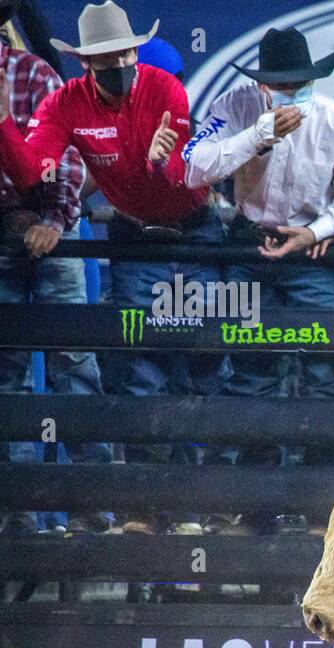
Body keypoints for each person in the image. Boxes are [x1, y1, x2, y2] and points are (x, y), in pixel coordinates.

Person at [0, 1, 222, 535]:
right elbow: (32, 172)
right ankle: (134, 511)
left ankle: (199, 508)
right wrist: (4, 123)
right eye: (106, 57)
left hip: (195, 231)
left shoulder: (163, 89)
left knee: (202, 365)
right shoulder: (65, 103)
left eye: (125, 52)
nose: (119, 62)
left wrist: (159, 160)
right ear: (86, 63)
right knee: (139, 374)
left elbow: (182, 174)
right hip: (133, 237)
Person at [183, 27, 334, 529]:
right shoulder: (235, 105)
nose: (291, 92)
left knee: (328, 373)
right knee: (251, 376)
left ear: (313, 80)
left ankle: (322, 508)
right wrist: (259, 134)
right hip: (249, 243)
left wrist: (316, 230)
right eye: (279, 84)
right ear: (262, 86)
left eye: (299, 83)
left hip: (313, 254)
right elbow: (193, 169)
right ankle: (257, 506)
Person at [0, 0, 112, 536]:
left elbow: (63, 156)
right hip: (3, 231)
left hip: (52, 232)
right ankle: (18, 509)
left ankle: (95, 505)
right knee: (7, 375)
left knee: (74, 364)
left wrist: (52, 219)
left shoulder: (32, 73)